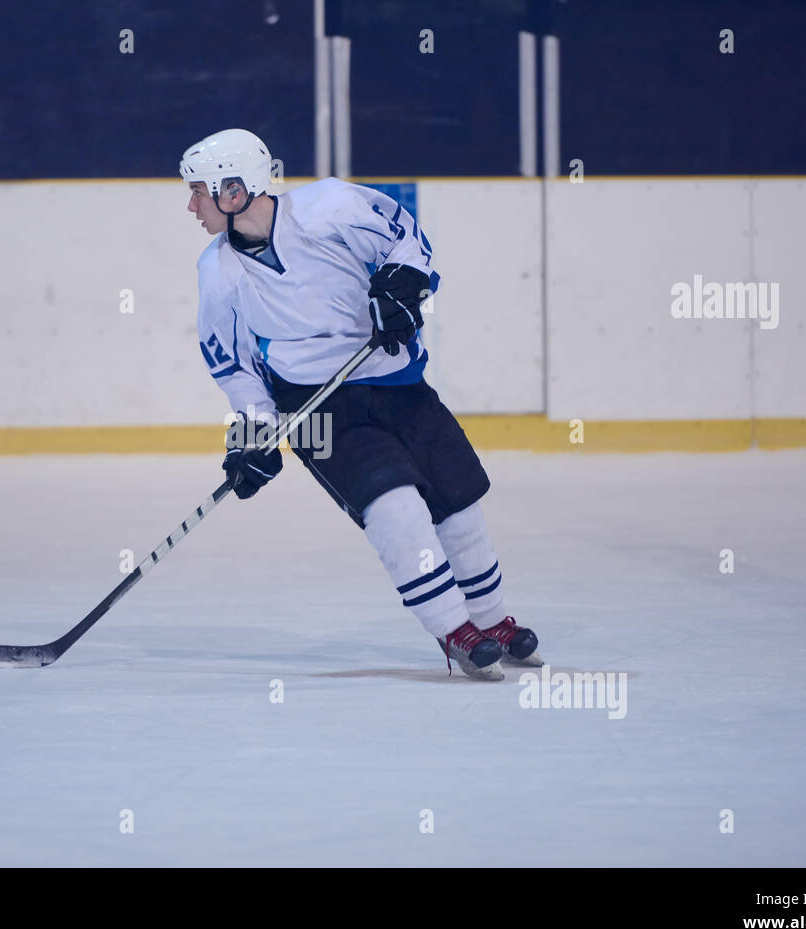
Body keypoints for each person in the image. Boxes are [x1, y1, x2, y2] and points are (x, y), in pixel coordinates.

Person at [181, 128, 542, 680]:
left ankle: (492, 621)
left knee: (457, 500)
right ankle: (454, 630)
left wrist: (402, 284)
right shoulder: (218, 271)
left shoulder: (330, 205)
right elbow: (233, 365)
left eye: (199, 192)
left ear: (234, 191)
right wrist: (253, 433)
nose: (191, 206)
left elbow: (406, 239)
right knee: (394, 506)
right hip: (317, 410)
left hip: (397, 381)